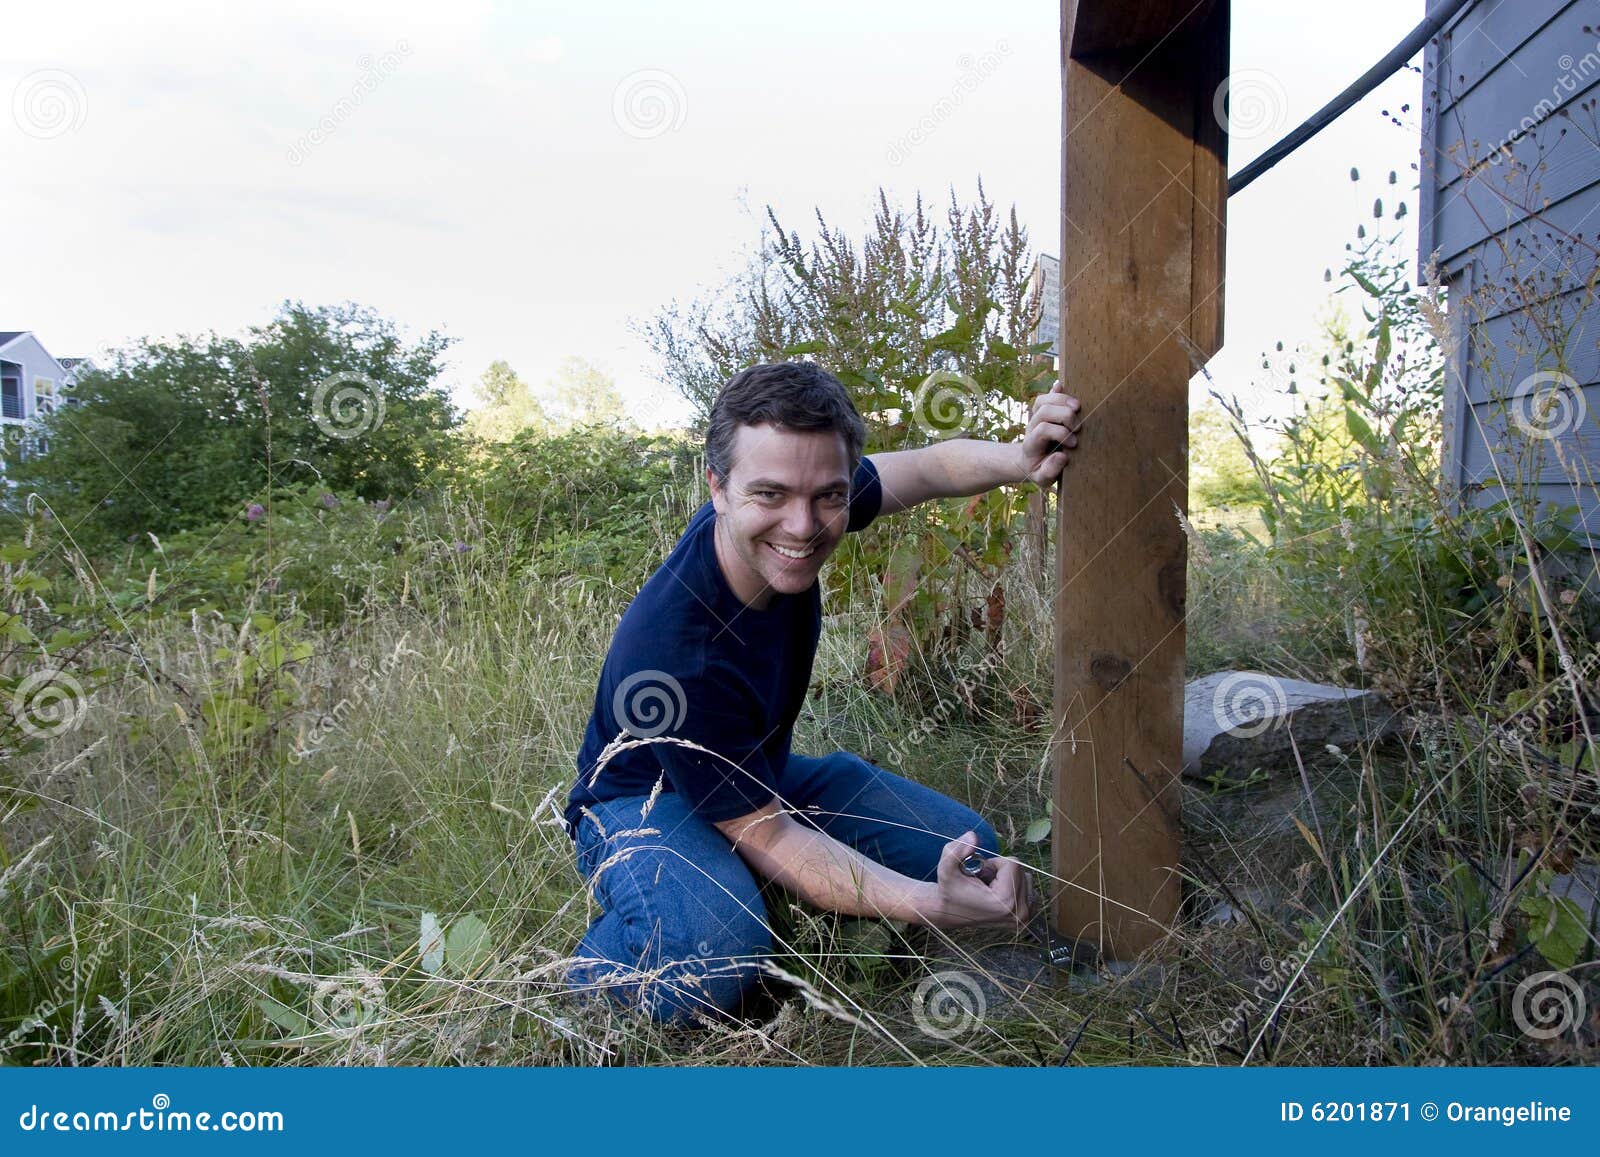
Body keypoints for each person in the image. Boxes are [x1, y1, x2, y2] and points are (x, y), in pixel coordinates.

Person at [562, 361, 1081, 1025]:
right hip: (638, 804)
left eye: (829, 495)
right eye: (771, 495)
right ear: (717, 487)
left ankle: (740, 883)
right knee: (718, 947)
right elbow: (774, 836)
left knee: (967, 849)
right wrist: (934, 907)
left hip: (753, 775)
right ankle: (579, 985)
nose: (803, 526)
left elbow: (927, 468)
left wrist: (1021, 459)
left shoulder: (798, 493)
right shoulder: (674, 651)